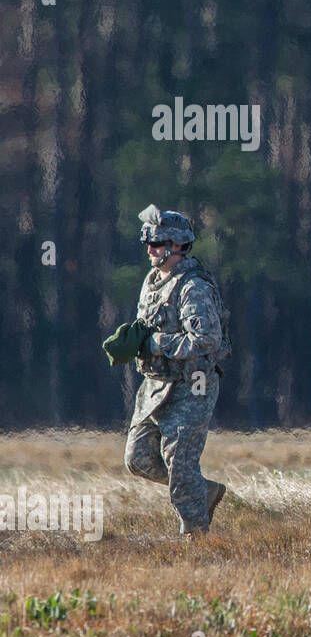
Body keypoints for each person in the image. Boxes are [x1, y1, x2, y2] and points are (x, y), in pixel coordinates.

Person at [113, 205, 231, 537]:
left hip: (191, 384)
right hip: (155, 385)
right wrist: (133, 339)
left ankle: (196, 539)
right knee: (138, 459)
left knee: (179, 463)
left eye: (158, 243)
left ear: (178, 245)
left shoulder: (194, 287)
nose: (150, 250)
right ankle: (201, 490)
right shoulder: (152, 282)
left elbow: (207, 339)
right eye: (148, 243)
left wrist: (157, 344)